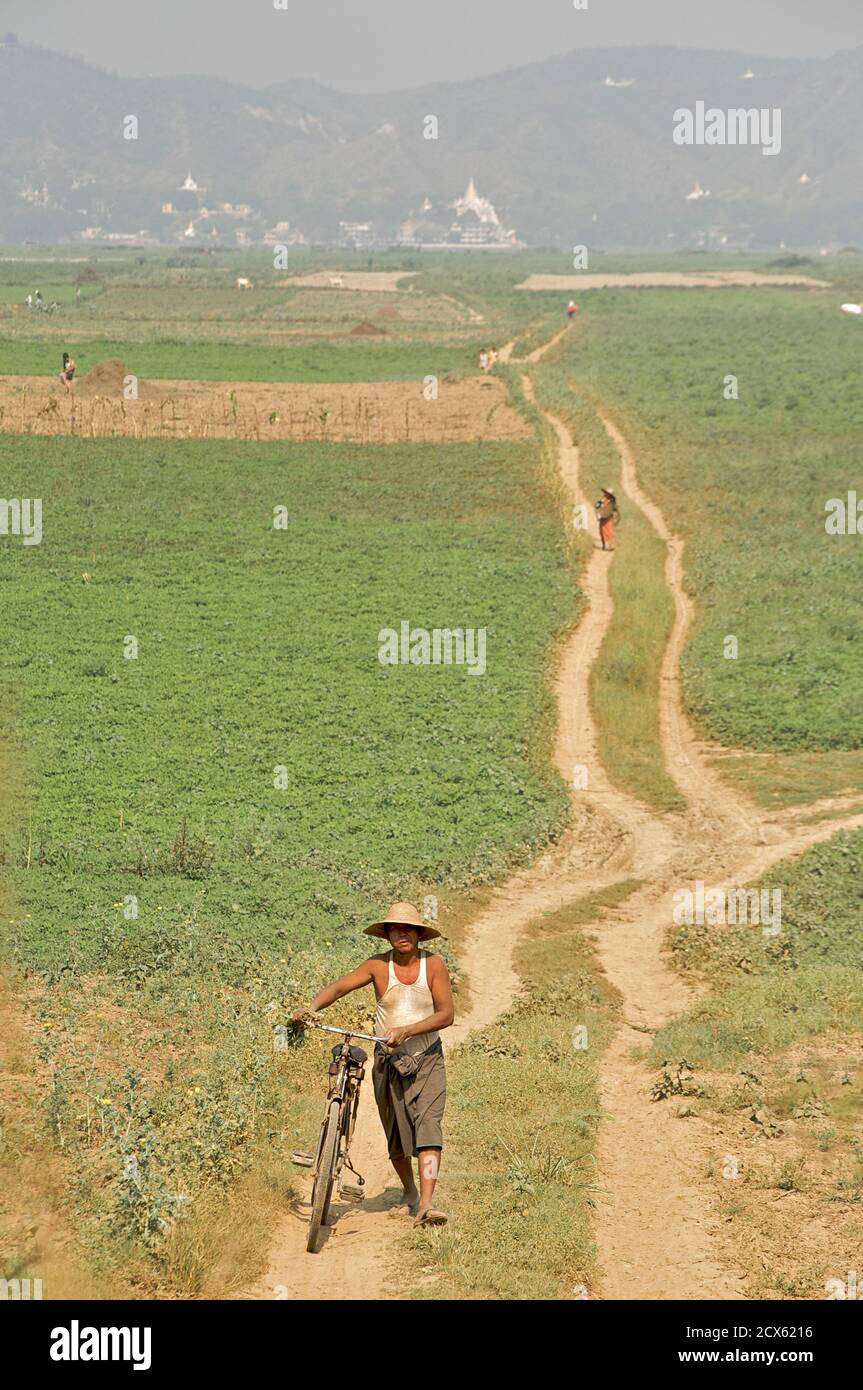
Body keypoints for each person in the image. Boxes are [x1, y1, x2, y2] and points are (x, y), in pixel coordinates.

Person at [292, 902, 453, 1226]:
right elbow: (339, 988)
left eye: (408, 929)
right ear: (388, 934)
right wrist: (310, 1009)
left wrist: (407, 1030)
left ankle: (426, 1203)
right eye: (396, 928)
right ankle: (408, 1190)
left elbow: (446, 1014)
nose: (402, 933)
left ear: (420, 934)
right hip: (388, 1059)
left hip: (428, 1059)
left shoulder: (433, 964)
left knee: (428, 1130)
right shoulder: (378, 966)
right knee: (394, 1132)